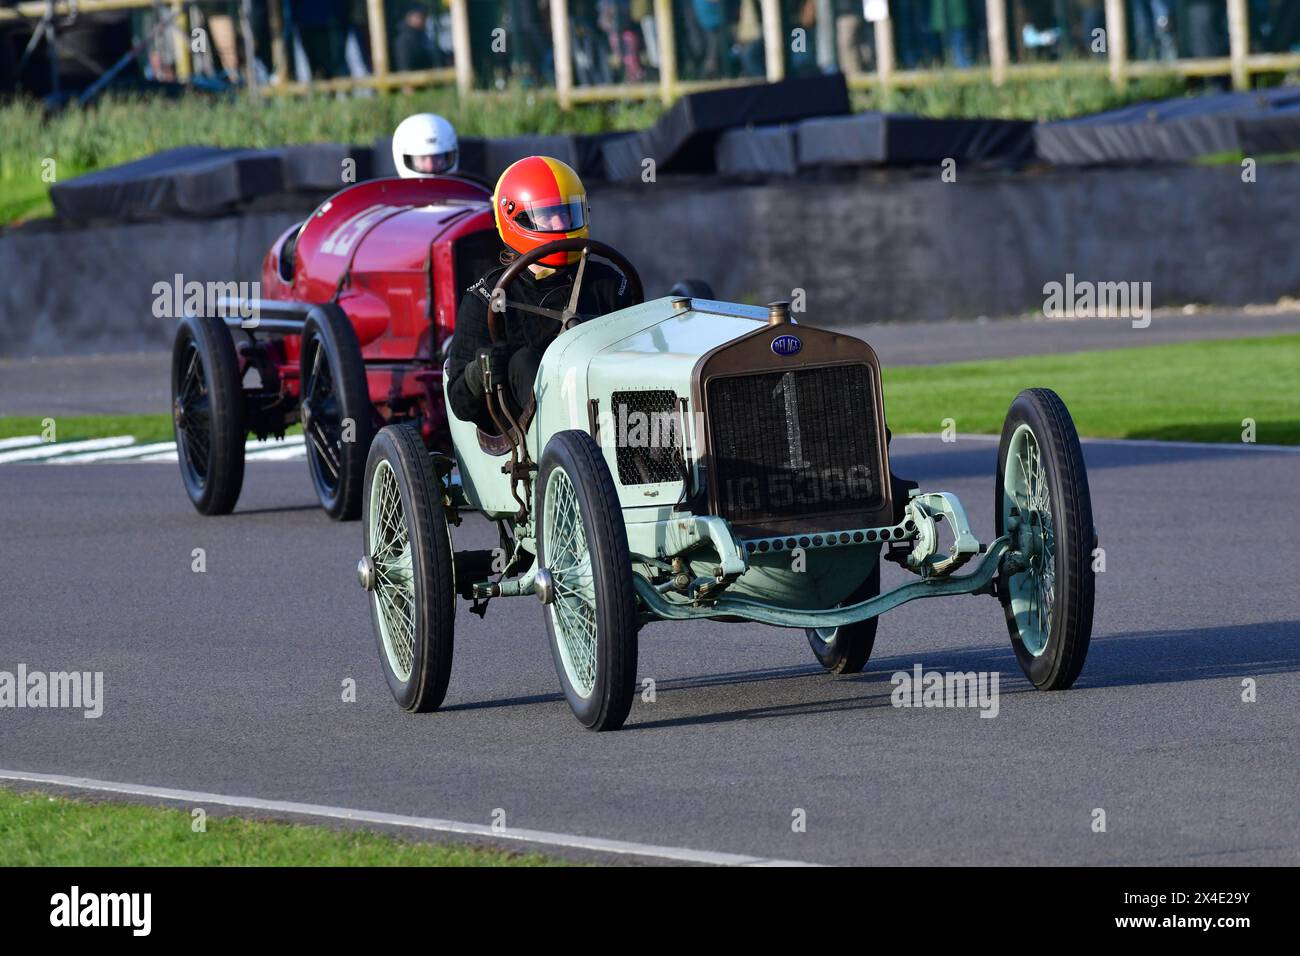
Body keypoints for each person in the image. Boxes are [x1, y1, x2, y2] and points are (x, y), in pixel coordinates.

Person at [446, 157, 637, 431]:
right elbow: (459, 402)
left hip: (612, 418)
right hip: (526, 438)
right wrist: (480, 372)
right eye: (548, 216)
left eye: (568, 213)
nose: (561, 222)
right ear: (517, 219)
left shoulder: (608, 283)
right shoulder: (486, 298)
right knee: (522, 361)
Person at [391, 113, 460, 177]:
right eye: (422, 159)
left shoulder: (465, 188)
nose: (431, 166)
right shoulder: (389, 190)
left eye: (438, 157)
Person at [392, 4, 435, 73]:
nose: (422, 20)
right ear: (408, 18)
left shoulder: (423, 36)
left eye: (424, 17)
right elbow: (405, 68)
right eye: (419, 17)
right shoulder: (404, 40)